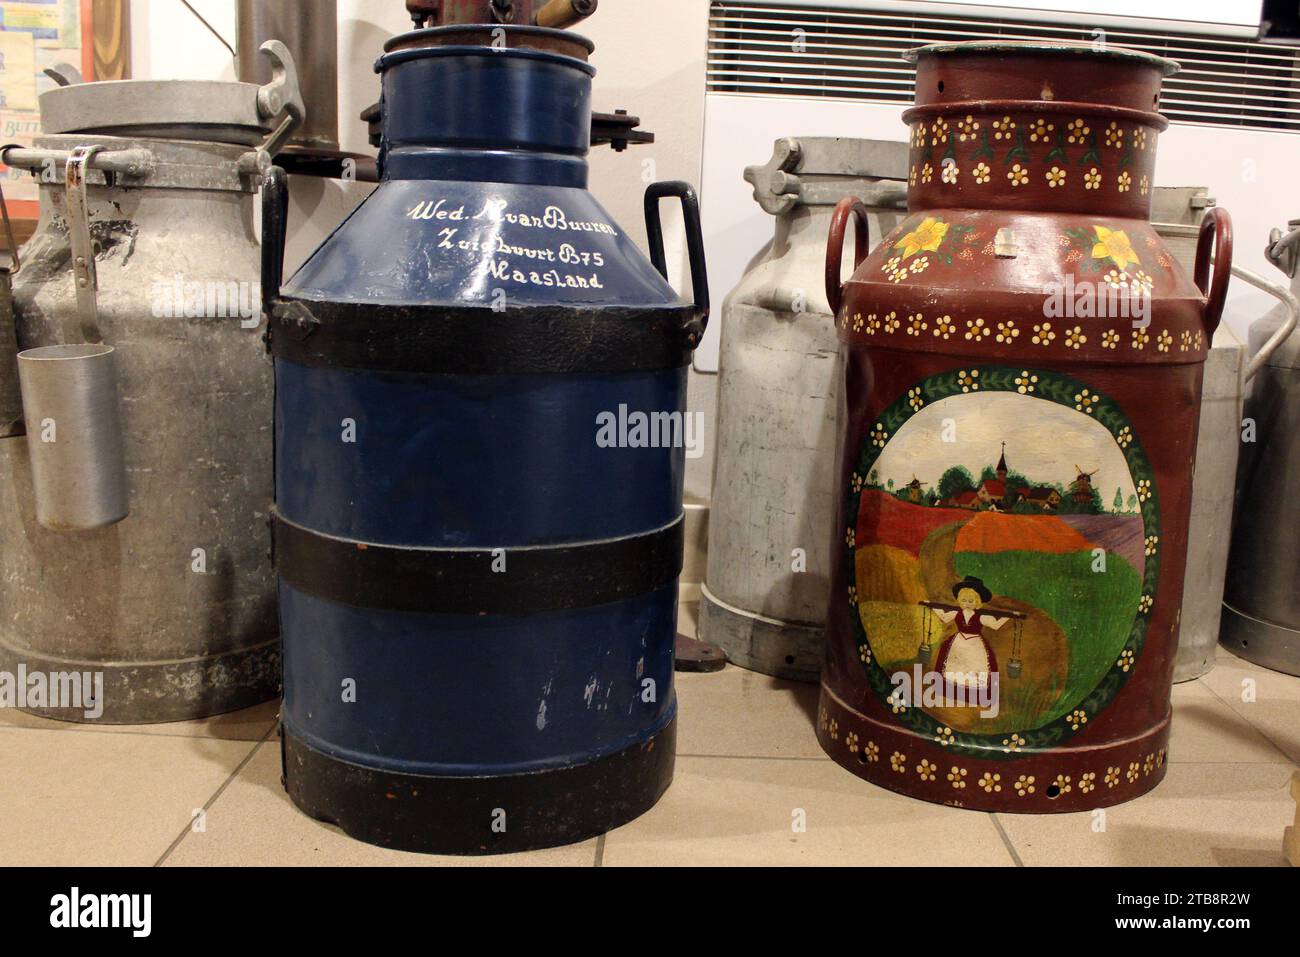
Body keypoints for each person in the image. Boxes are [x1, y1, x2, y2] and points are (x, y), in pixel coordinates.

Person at [927, 576, 1011, 694]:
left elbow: (995, 624)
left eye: (970, 601)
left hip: (975, 643)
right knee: (954, 664)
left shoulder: (980, 616)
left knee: (975, 665)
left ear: (977, 602)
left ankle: (972, 693)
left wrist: (1009, 616)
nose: (966, 604)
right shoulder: (957, 613)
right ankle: (950, 689)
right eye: (963, 600)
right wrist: (930, 606)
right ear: (959, 600)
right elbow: (945, 617)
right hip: (959, 641)